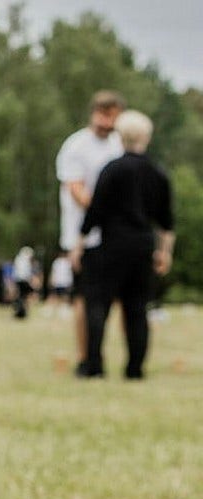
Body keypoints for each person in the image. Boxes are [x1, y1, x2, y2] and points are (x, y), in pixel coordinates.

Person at [72, 110, 174, 381]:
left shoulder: (112, 169)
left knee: (97, 306)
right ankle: (135, 369)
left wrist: (79, 244)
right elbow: (166, 221)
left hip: (111, 246)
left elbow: (94, 211)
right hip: (143, 247)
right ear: (147, 137)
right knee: (137, 309)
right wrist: (165, 252)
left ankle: (94, 366)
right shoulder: (157, 173)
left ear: (120, 136)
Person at [57, 90, 125, 368]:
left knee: (115, 300)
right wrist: (105, 213)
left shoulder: (119, 145)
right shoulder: (76, 146)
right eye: (103, 116)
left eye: (112, 118)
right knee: (84, 299)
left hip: (115, 236)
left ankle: (114, 358)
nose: (107, 123)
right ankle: (85, 356)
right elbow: (77, 190)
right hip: (82, 237)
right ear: (94, 114)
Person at [10, 245, 36, 319]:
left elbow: (15, 271)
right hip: (23, 280)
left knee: (20, 296)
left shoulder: (18, 259)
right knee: (24, 296)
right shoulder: (25, 261)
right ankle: (22, 311)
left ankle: (20, 311)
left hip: (18, 280)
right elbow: (26, 273)